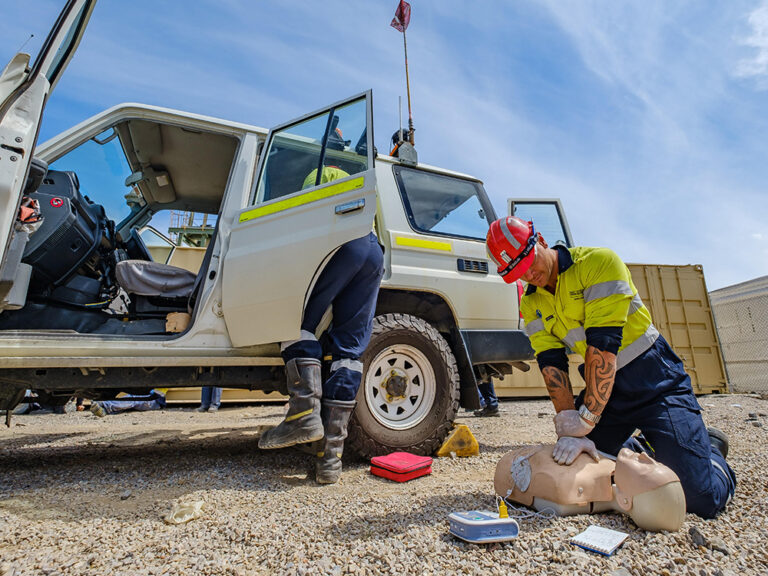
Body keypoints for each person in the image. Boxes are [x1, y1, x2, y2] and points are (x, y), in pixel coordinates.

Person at [485, 216, 735, 519]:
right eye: (518, 273)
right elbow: (552, 365)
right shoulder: (532, 302)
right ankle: (642, 445)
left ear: (539, 240)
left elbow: (602, 349)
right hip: (609, 396)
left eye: (529, 262)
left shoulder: (599, 264)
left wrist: (586, 419)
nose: (530, 275)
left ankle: (711, 452)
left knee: (698, 499)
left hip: (656, 384)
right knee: (579, 466)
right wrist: (566, 421)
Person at [259, 129, 384, 485]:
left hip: (337, 244)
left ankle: (303, 415)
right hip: (372, 249)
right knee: (348, 350)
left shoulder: (316, 175)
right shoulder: (358, 179)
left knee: (293, 322)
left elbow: (305, 221)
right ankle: (330, 458)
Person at [494, 444, 687, 532]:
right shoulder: (611, 467)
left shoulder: (570, 489)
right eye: (655, 462)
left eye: (646, 467)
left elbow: (557, 503)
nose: (645, 455)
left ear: (625, 500)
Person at [90, 389, 167, 417]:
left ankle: (105, 405)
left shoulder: (164, 377)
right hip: (152, 401)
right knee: (129, 402)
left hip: (155, 402)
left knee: (133, 399)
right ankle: (105, 410)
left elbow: (157, 394)